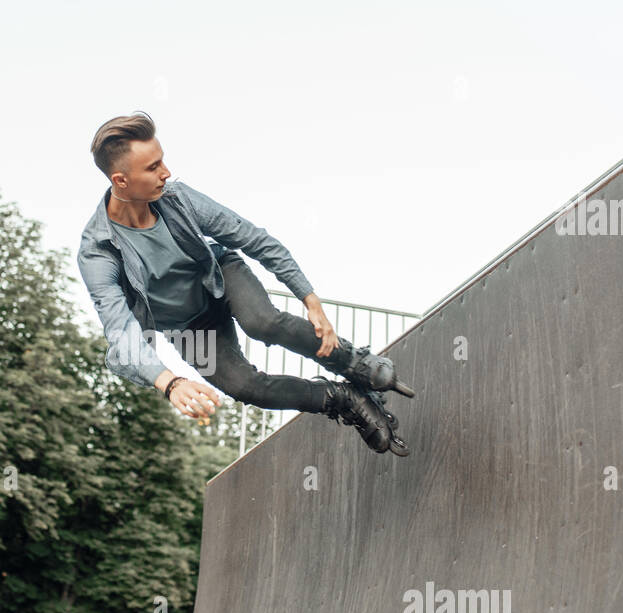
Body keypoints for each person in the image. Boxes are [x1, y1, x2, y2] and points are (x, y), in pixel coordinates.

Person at [76, 111, 414, 455]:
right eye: (153, 168)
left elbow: (251, 237)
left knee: (262, 322)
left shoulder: (178, 198)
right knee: (244, 386)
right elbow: (121, 331)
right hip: (188, 328)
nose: (166, 172)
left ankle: (352, 361)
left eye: (162, 161)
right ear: (120, 180)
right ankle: (342, 400)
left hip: (221, 277)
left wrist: (309, 299)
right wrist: (170, 382)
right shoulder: (99, 252)